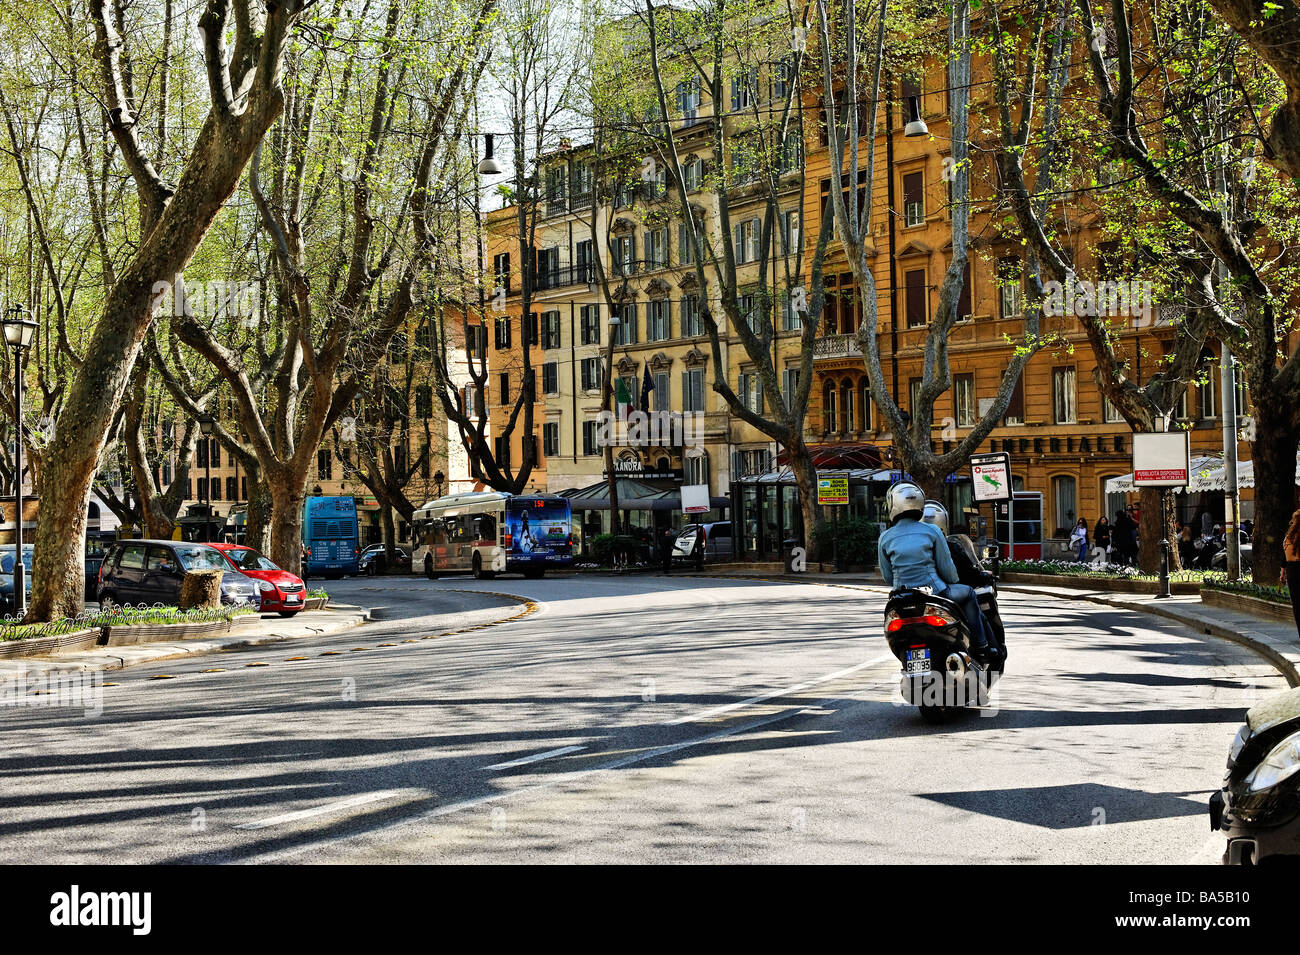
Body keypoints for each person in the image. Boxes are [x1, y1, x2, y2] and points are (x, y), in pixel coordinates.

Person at [878, 484, 994, 662]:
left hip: (902, 597)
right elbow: (948, 570)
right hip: (936, 592)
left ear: (892, 504)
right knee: (969, 593)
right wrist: (952, 580)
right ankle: (981, 646)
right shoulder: (931, 531)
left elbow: (887, 576)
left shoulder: (885, 538)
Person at [923, 505, 1007, 664]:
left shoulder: (918, 549)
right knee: (971, 597)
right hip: (944, 593)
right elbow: (957, 574)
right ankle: (983, 647)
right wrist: (982, 576)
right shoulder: (948, 547)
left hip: (916, 595)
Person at [1284, 508, 1300, 638]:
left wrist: (1282, 571)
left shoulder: (1288, 538)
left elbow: (1284, 557)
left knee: (1297, 605)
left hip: (1292, 571)